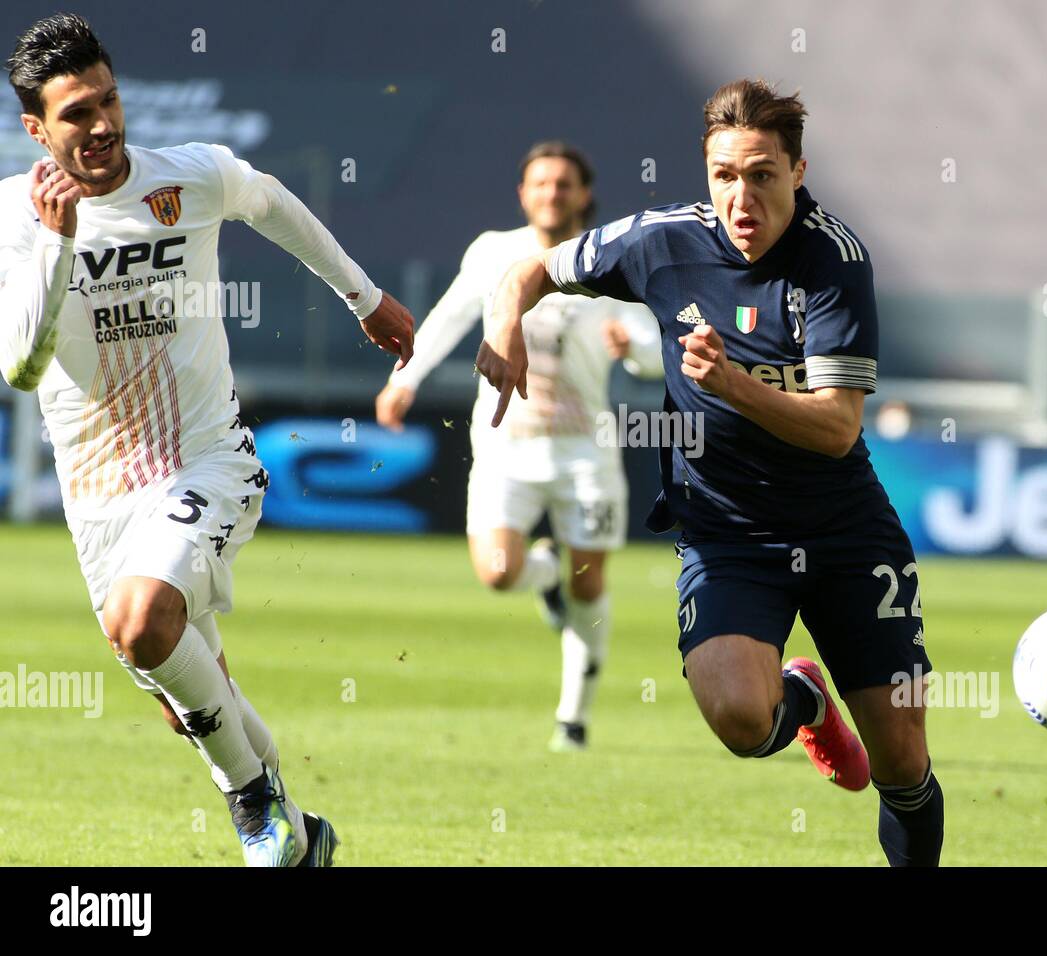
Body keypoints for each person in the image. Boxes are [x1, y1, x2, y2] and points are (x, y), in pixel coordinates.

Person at [475, 79, 943, 865]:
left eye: (762, 174)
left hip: (843, 529)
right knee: (738, 719)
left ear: (799, 171)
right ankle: (805, 701)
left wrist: (733, 386)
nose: (741, 195)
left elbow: (836, 428)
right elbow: (528, 273)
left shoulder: (835, 260)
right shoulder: (661, 240)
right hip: (727, 529)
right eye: (724, 174)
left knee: (901, 761)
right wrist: (505, 329)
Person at [0, 14, 415, 866]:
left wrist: (364, 296)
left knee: (143, 620)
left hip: (208, 457)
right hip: (98, 496)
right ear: (37, 129)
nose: (104, 123)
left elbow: (274, 204)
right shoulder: (14, 220)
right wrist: (55, 243)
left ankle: (255, 804)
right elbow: (22, 366)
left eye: (109, 100)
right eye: (78, 112)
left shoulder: (188, 177)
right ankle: (301, 838)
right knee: (184, 685)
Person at [375, 142, 661, 751]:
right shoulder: (493, 251)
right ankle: (545, 572)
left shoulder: (609, 258)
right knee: (500, 572)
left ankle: (572, 722)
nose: (551, 194)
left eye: (563, 184)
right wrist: (404, 379)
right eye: (540, 183)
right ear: (522, 193)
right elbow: (451, 316)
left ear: (585, 194)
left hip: (586, 450)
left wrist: (632, 349)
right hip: (507, 442)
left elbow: (654, 353)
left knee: (591, 588)